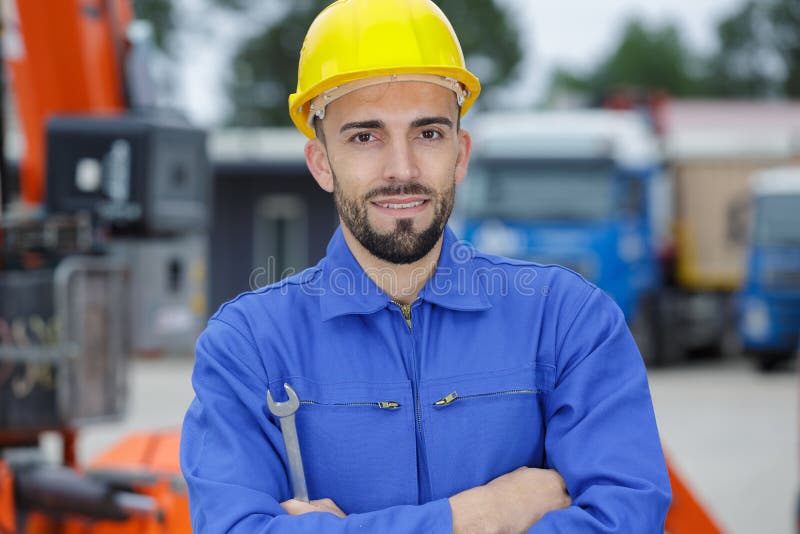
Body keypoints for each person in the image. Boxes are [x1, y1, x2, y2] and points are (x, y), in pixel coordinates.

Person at [180, 0, 672, 531]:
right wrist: (476, 516)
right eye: (365, 136)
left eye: (428, 133)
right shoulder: (248, 347)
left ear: (460, 155)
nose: (402, 169)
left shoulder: (568, 321)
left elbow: (627, 517)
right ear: (321, 163)